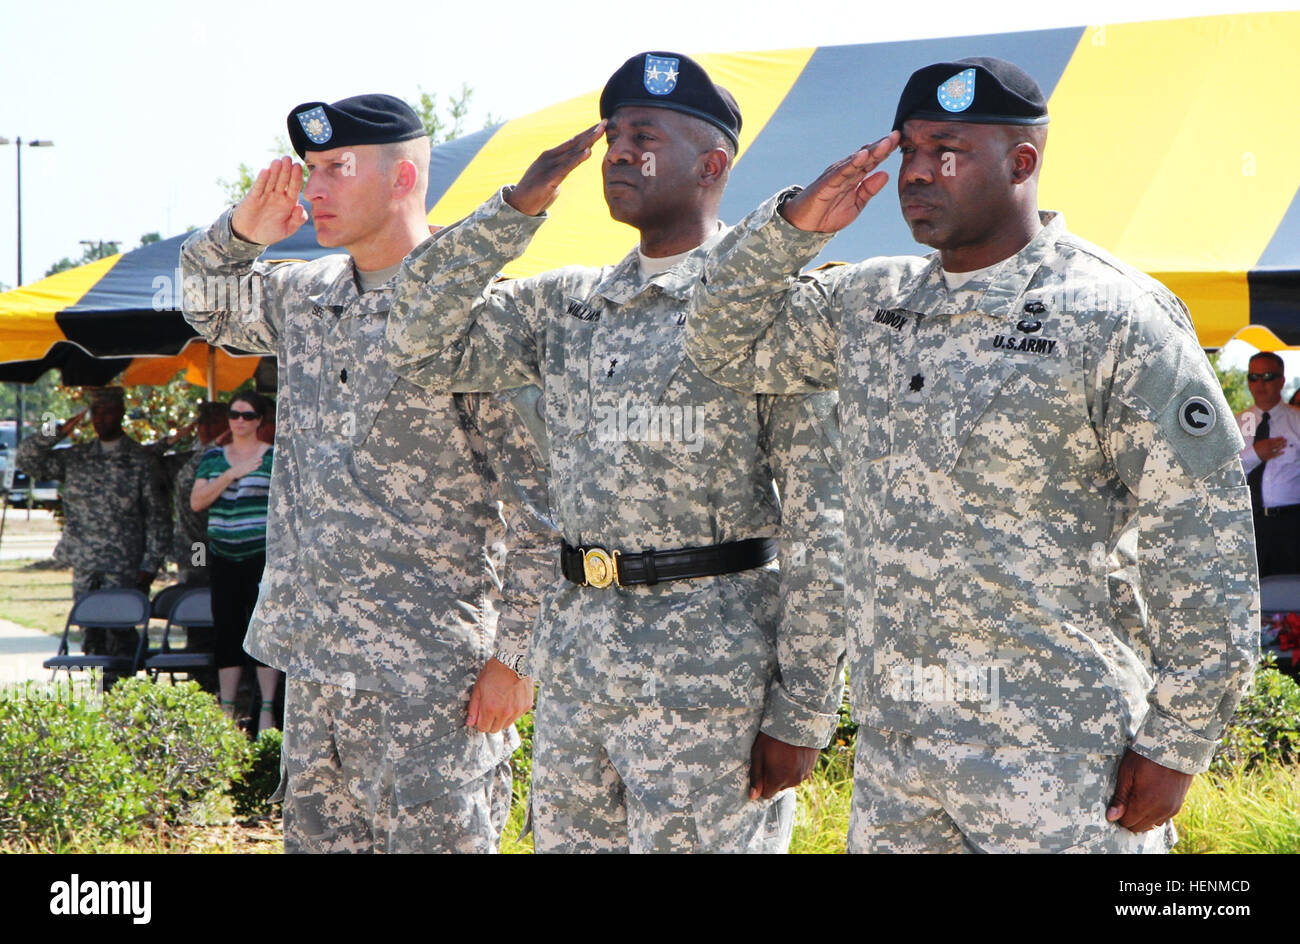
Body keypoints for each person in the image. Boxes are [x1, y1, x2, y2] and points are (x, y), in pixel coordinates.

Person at [684, 57, 1258, 853]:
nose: (918, 173)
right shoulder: (871, 303)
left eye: (946, 152)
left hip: (1060, 754)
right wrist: (793, 229)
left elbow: (1203, 533)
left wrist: (1180, 739)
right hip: (899, 759)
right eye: (909, 151)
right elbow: (715, 339)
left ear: (1022, 162)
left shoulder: (1113, 315)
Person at [388, 52, 845, 853]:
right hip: (581, 664)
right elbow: (417, 339)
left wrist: (802, 710)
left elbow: (823, 524)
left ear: (712, 165)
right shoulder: (569, 303)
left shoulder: (765, 312)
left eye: (645, 138)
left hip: (713, 674)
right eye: (614, 139)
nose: (620, 155)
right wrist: (514, 209)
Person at [180, 93, 552, 853]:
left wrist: (515, 660)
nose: (312, 189)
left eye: (336, 169)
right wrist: (243, 232)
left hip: (433, 679)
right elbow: (207, 308)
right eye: (309, 169)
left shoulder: (478, 312)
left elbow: (542, 510)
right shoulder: (306, 295)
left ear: (402, 178)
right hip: (316, 667)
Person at [16, 386, 169, 685]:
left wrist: (150, 565)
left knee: (121, 631)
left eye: (107, 411)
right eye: (95, 411)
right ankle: (100, 693)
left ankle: (121, 693)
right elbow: (27, 458)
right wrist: (56, 430)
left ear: (121, 413)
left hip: (124, 564)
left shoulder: (141, 460)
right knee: (90, 632)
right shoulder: (77, 457)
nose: (100, 418)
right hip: (86, 562)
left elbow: (158, 517)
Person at [190, 392, 279, 732]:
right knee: (226, 631)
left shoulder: (273, 457)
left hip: (261, 556)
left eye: (248, 414)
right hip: (222, 555)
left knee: (263, 630)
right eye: (234, 414)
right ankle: (227, 712)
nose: (240, 420)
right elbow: (197, 501)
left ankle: (267, 712)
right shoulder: (213, 457)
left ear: (260, 420)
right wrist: (231, 474)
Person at [1238, 351, 1300, 577]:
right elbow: (1222, 471)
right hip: (1247, 523)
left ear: (1282, 380)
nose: (1260, 384)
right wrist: (1255, 454)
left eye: (1267, 376)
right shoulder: (1237, 423)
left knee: (1289, 590)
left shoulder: (1297, 420)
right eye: (1253, 377)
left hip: (1291, 524)